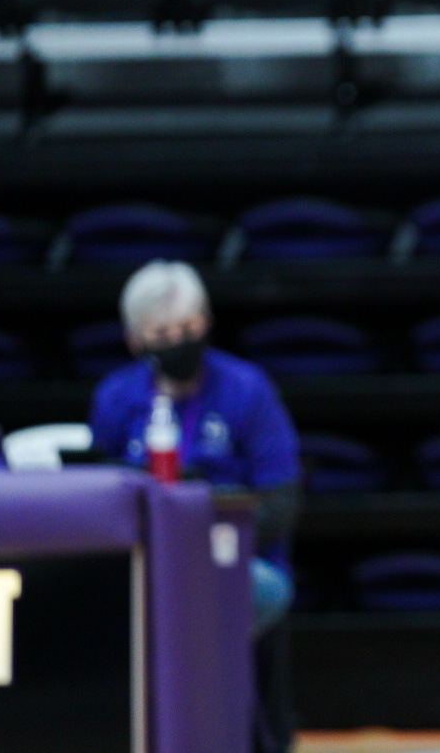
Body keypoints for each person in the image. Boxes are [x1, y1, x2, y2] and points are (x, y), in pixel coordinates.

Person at [88, 260, 301, 635]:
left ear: (206, 320)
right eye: (162, 334)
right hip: (143, 557)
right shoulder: (115, 397)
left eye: (188, 328)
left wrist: (211, 524)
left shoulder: (248, 389)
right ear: (135, 340)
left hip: (233, 558)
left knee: (210, 592)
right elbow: (98, 489)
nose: (178, 343)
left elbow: (281, 501)